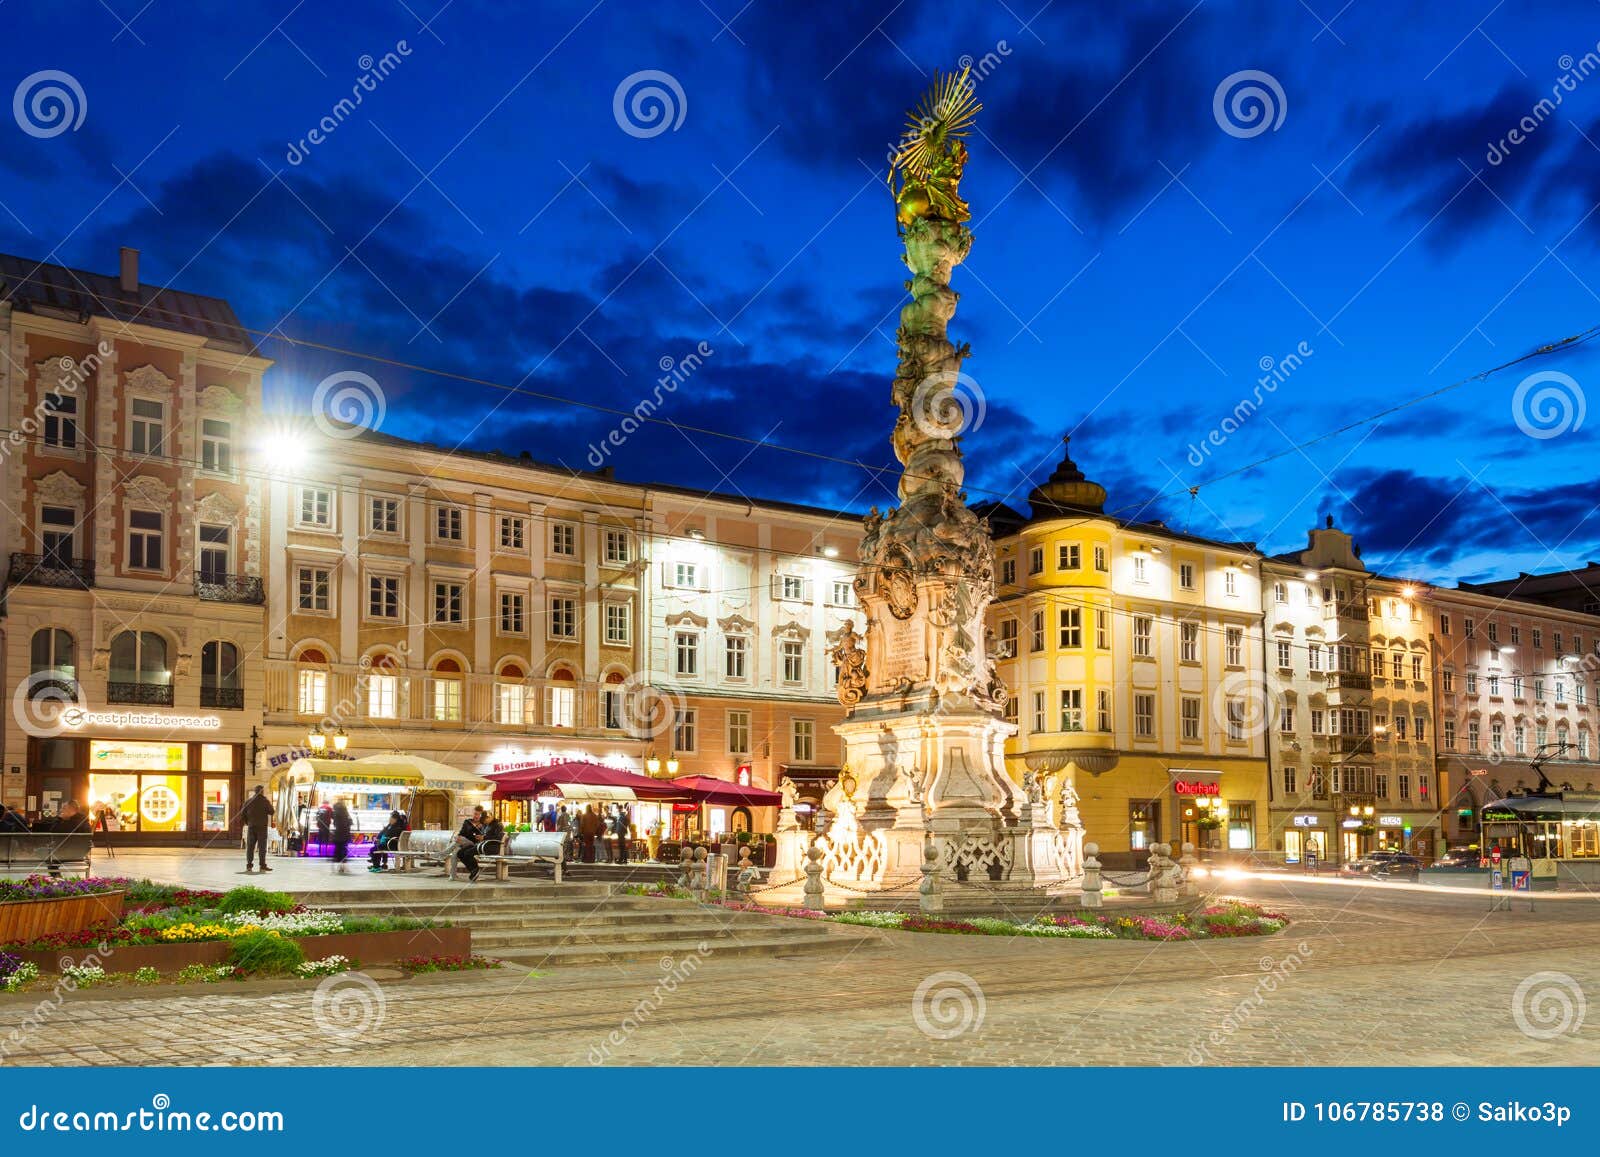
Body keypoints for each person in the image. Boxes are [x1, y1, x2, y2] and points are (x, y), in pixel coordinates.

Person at [241, 785, 274, 874]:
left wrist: (248, 822)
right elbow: (272, 811)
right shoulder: (265, 801)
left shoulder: (248, 801)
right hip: (262, 828)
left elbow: (242, 814)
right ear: (262, 792)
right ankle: (262, 865)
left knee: (250, 847)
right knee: (262, 847)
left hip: (251, 827)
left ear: (255, 791)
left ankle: (249, 865)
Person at [456, 806, 486, 882]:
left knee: (462, 852)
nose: (476, 816)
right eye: (475, 814)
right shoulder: (467, 822)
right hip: (465, 843)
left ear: (482, 816)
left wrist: (480, 833)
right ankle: (474, 870)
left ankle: (474, 870)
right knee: (459, 853)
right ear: (473, 813)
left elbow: (483, 836)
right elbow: (462, 833)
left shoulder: (483, 824)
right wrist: (459, 836)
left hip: (476, 844)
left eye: (479, 815)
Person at [330, 799, 353, 873]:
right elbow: (350, 822)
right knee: (343, 851)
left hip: (338, 835)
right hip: (345, 835)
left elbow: (335, 824)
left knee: (338, 851)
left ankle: (338, 866)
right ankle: (343, 867)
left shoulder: (336, 813)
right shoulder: (346, 814)